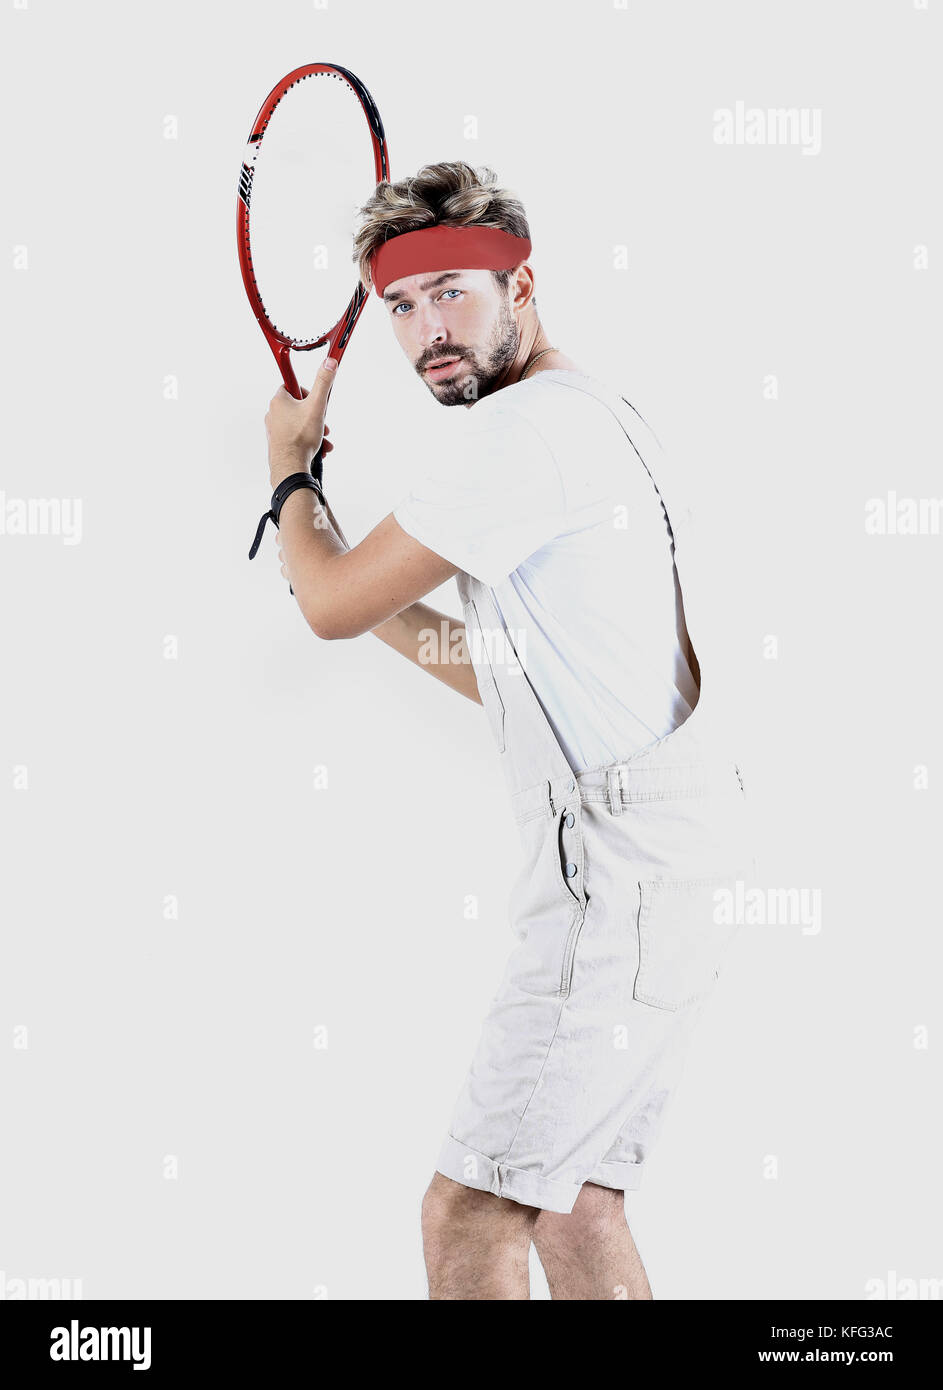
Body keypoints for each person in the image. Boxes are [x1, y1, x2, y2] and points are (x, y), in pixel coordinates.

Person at [261, 162, 755, 1300]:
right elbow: (509, 669)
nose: (426, 331)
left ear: (520, 281)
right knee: (574, 1201)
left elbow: (333, 606)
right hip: (673, 861)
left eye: (451, 293)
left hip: (614, 877)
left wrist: (287, 471)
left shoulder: (519, 436)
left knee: (470, 1210)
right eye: (398, 306)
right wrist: (327, 555)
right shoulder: (594, 414)